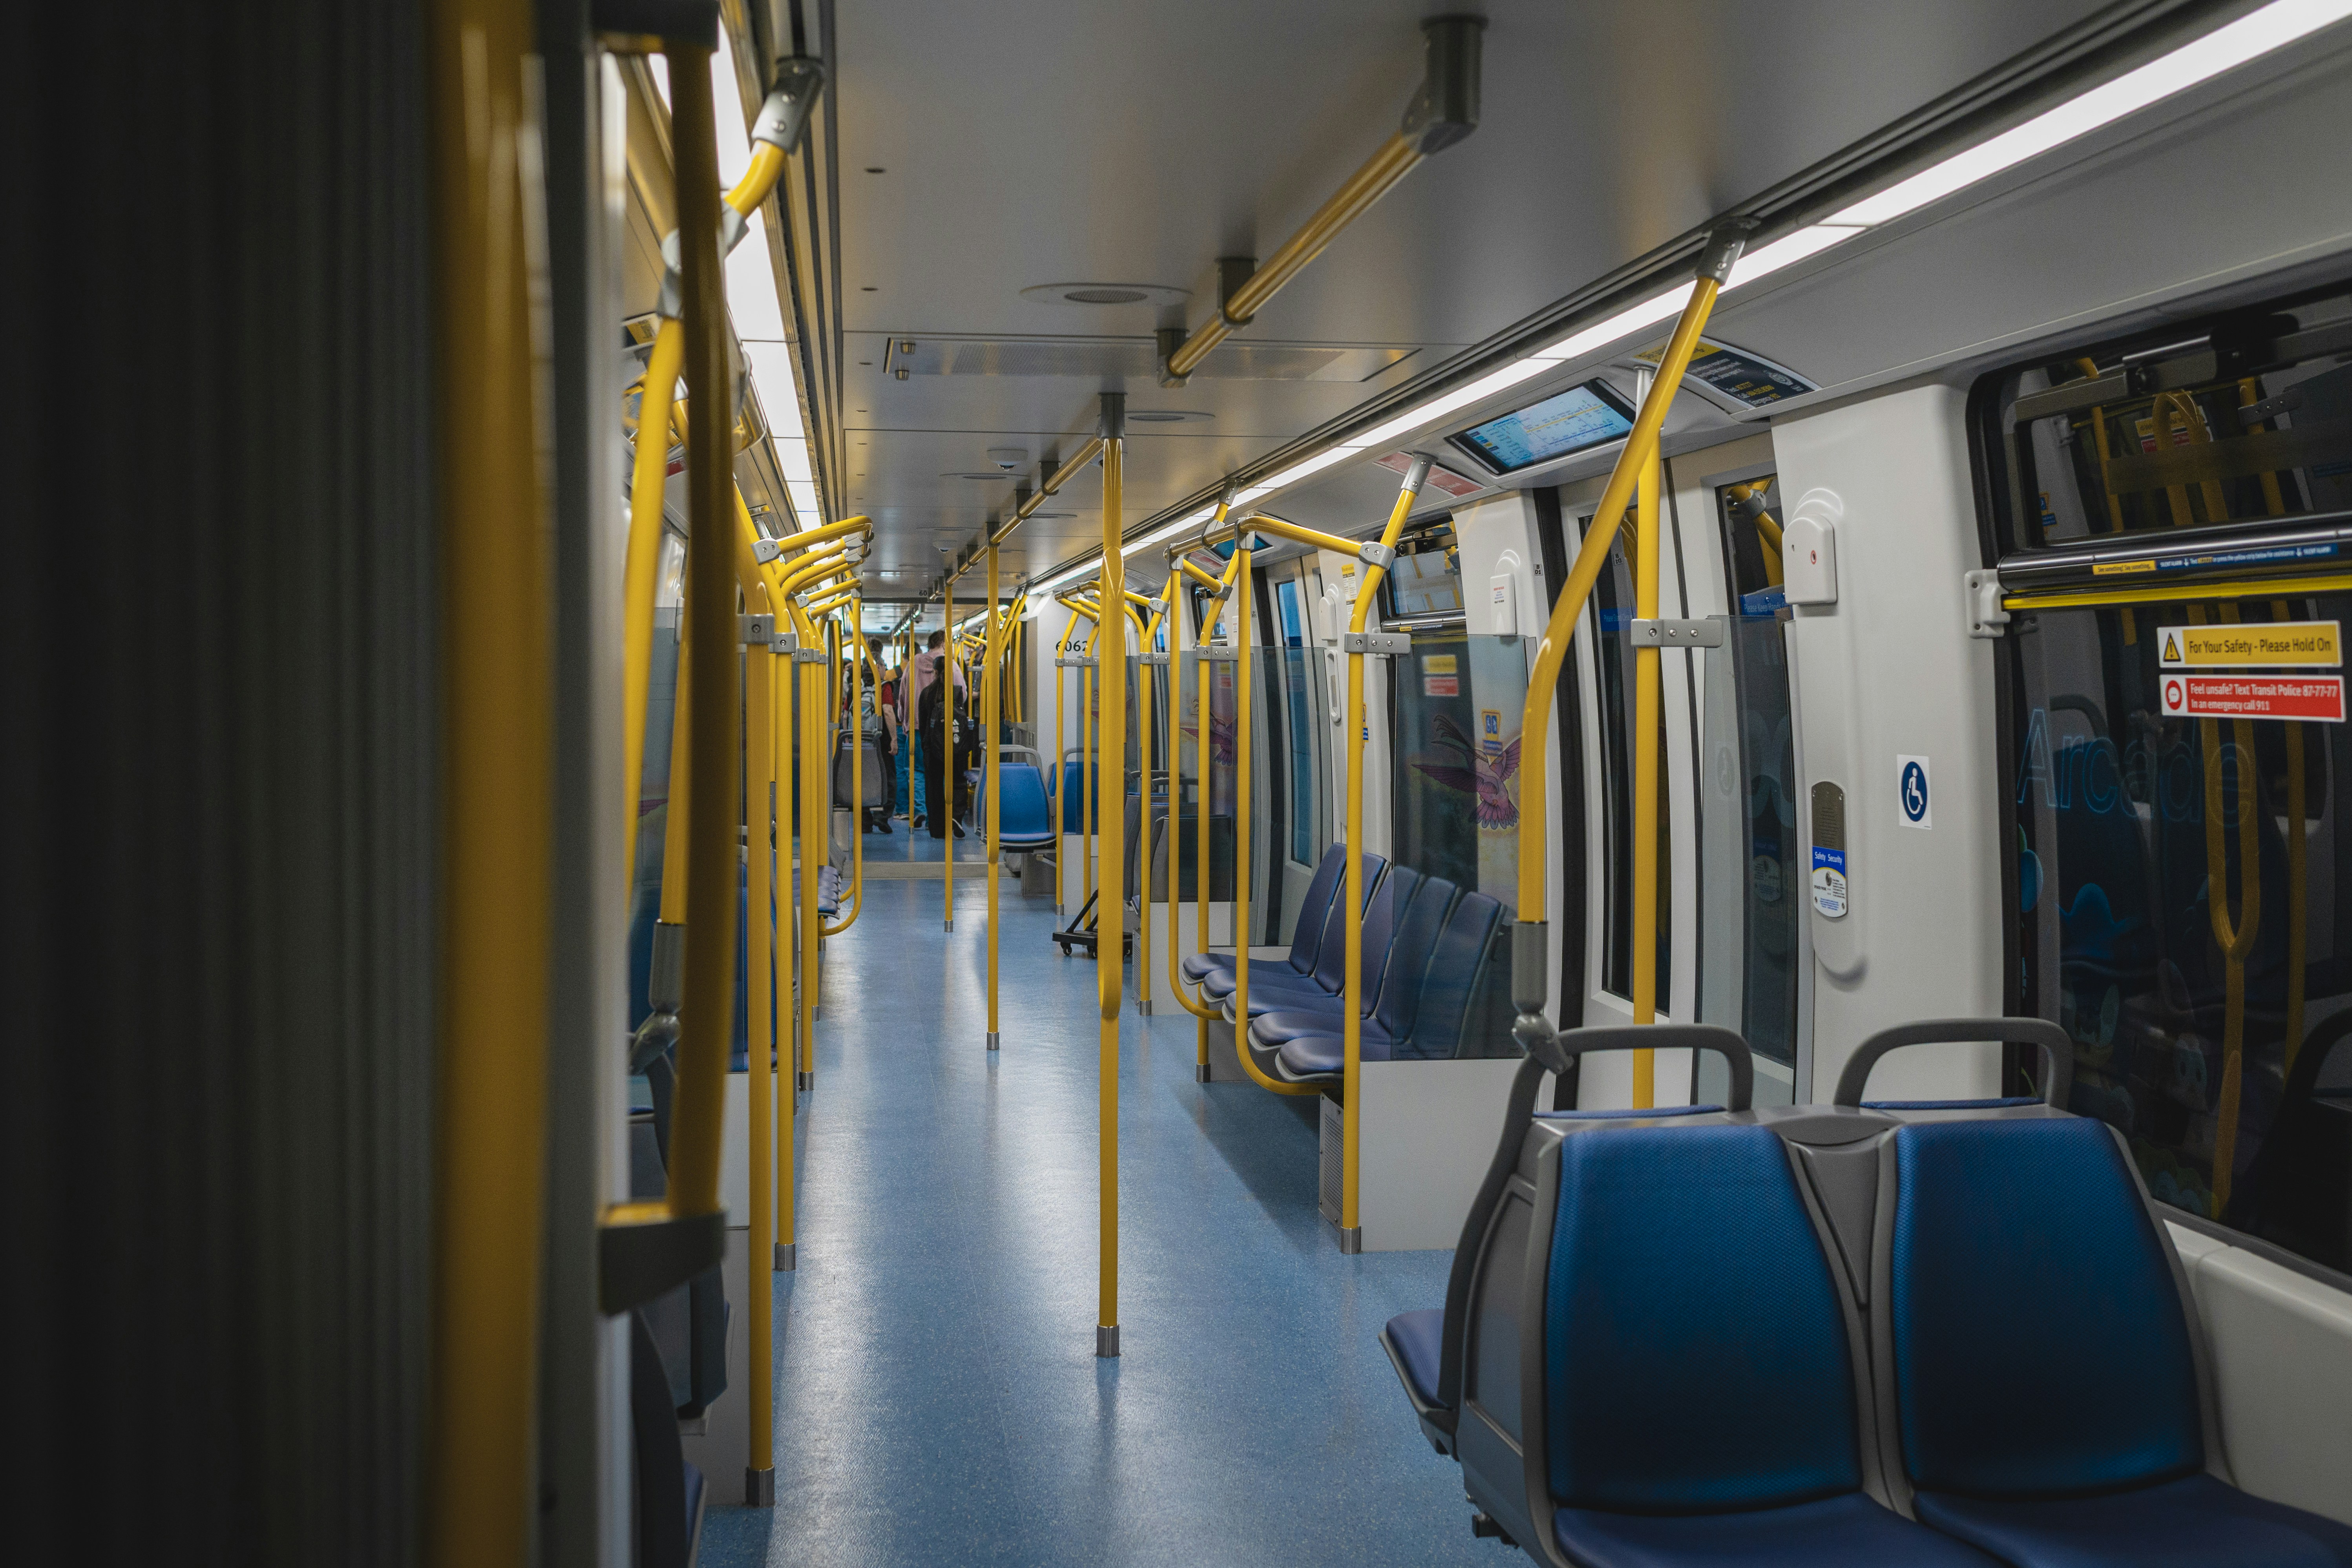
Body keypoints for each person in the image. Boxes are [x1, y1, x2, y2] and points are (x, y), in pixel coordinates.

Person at [916, 631, 967, 840]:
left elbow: (923, 721)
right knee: (958, 781)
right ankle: (957, 816)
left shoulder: (926, 694)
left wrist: (926, 746)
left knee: (934, 785)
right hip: (955, 744)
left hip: (933, 747)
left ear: (935, 673)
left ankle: (937, 828)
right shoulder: (957, 692)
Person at [862, 636, 897, 833]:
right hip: (880, 738)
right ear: (878, 667)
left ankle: (865, 819)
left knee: (864, 777)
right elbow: (888, 711)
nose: (886, 669)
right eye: (884, 665)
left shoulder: (856, 686)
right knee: (887, 776)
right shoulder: (884, 687)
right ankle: (882, 816)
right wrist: (894, 738)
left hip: (859, 738)